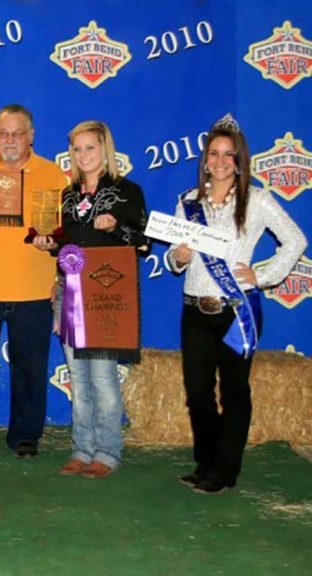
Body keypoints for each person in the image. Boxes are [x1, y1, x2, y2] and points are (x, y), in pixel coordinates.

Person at [165, 114, 306, 494]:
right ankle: (206, 461)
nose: (222, 160)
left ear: (240, 160)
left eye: (230, 154)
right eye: (215, 153)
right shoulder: (188, 202)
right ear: (205, 158)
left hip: (234, 312)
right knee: (197, 392)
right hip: (195, 308)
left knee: (234, 392)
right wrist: (178, 256)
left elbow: (295, 241)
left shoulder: (257, 199)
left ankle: (225, 470)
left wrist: (261, 276)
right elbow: (177, 262)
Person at [37, 120, 149, 478]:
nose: (83, 155)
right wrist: (50, 245)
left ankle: (108, 451)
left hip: (105, 295)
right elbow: (69, 244)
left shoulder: (127, 191)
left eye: (90, 148)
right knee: (78, 376)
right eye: (77, 149)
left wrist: (114, 226)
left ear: (105, 150)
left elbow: (142, 240)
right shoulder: (67, 196)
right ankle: (81, 448)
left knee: (102, 378)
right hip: (71, 292)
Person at [0, 104, 68, 458]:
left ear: (31, 136)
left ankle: (25, 436)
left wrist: (54, 242)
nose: (9, 140)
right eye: (2, 133)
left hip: (34, 288)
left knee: (31, 369)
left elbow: (62, 230)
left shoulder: (53, 174)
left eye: (17, 133)